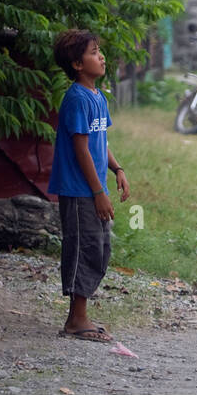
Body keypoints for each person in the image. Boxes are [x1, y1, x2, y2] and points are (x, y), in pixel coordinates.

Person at [49, 29, 131, 343]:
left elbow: (100, 141)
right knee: (84, 248)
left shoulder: (97, 96)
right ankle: (76, 319)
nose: (102, 57)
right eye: (94, 52)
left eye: (100, 50)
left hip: (94, 187)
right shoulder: (76, 99)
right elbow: (81, 149)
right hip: (79, 189)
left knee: (99, 248)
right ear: (77, 64)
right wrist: (98, 193)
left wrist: (117, 169)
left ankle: (79, 316)